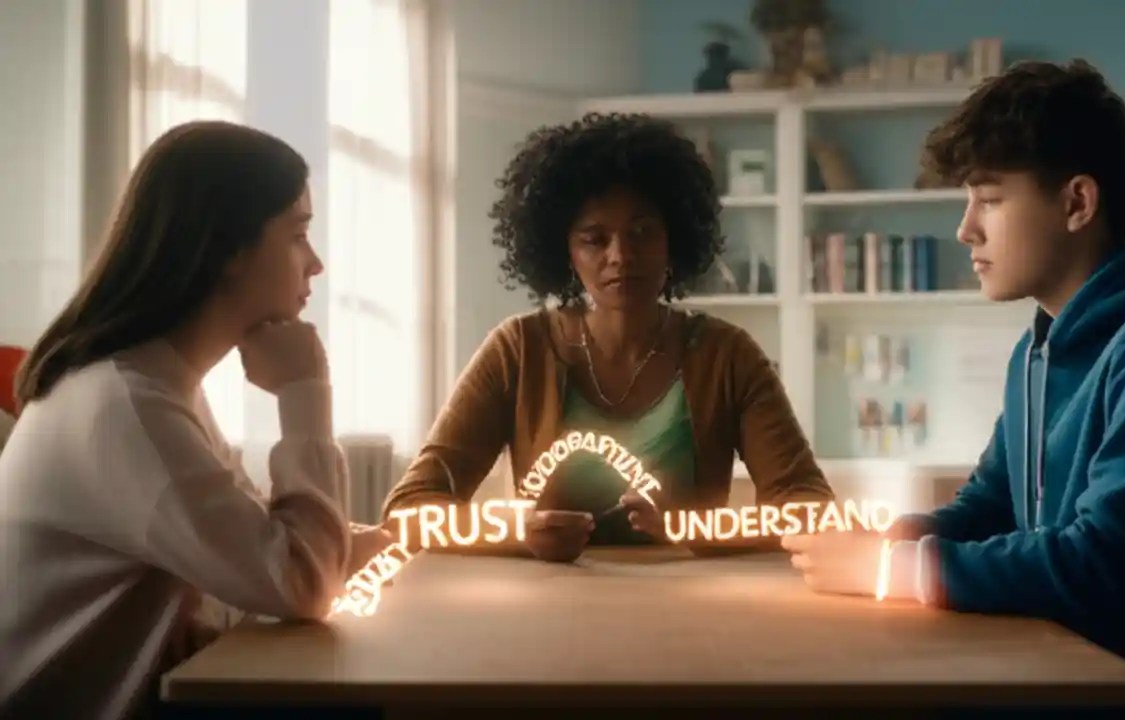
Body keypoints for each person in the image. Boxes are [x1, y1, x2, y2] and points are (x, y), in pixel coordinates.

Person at [782, 59, 1125, 705]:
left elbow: (1101, 567)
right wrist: (883, 540)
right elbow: (989, 509)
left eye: (989, 199)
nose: (965, 229)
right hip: (1080, 674)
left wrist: (888, 570)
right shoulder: (1038, 346)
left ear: (1077, 202)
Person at [0, 121, 390, 720]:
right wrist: (305, 393)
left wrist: (364, 544)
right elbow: (299, 584)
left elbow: (258, 548)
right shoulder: (127, 405)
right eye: (297, 234)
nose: (315, 264)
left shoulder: (152, 385)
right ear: (228, 248)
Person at [383, 112, 834, 562]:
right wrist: (518, 532)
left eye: (641, 233)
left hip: (694, 614)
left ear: (672, 239)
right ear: (565, 251)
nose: (621, 255)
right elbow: (410, 508)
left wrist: (690, 529)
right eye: (595, 239)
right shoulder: (518, 350)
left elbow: (811, 509)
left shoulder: (728, 356)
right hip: (546, 615)